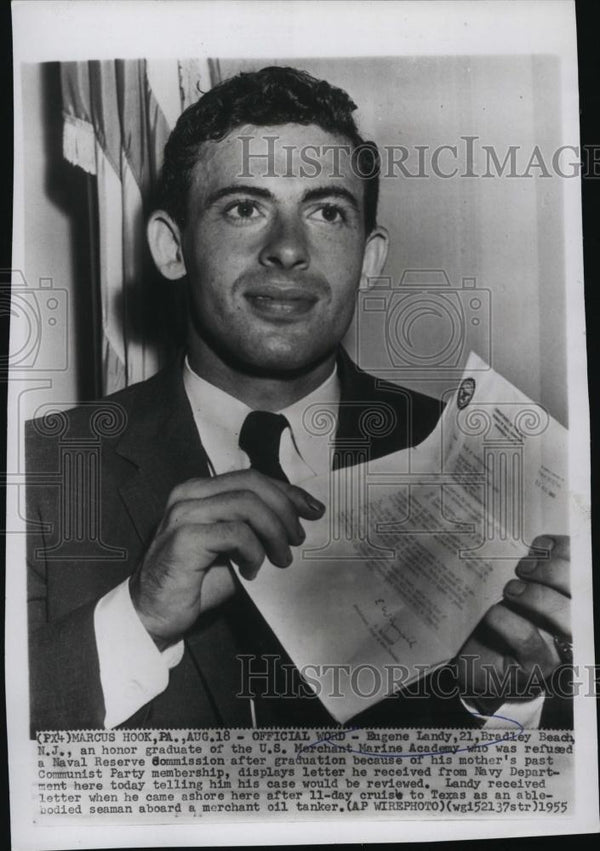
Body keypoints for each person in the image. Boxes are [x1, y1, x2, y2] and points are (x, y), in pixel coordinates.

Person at [26, 66, 571, 733]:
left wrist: (497, 699)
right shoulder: (45, 472)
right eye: (244, 208)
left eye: (327, 211)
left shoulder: (485, 470)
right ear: (172, 247)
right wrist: (136, 618)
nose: (287, 249)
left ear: (368, 261)